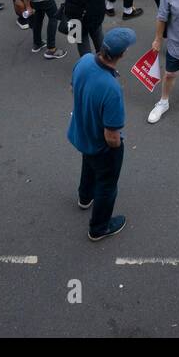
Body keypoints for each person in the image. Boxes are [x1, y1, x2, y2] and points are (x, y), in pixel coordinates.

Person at [68, 27, 137, 241]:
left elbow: (73, 88)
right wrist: (116, 149)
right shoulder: (112, 89)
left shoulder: (85, 60)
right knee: (107, 185)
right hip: (101, 145)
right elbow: (111, 136)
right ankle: (99, 227)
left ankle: (84, 197)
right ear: (122, 54)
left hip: (81, 132)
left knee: (88, 163)